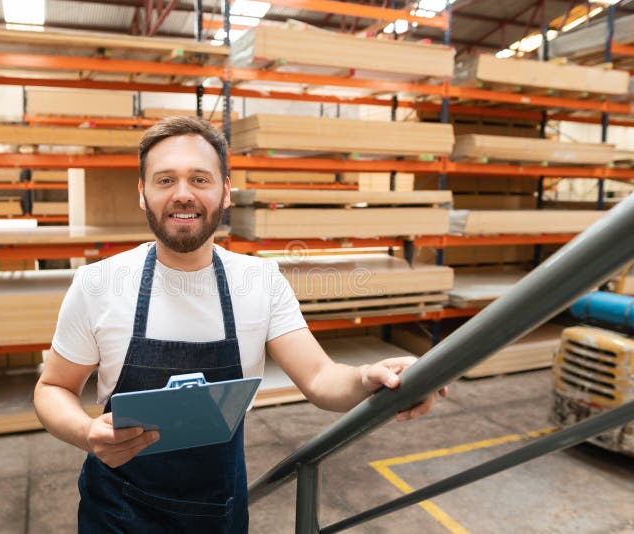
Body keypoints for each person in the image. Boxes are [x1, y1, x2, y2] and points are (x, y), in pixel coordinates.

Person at [33, 116, 447, 533]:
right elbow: (53, 388)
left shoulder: (260, 282)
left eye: (199, 179)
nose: (183, 195)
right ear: (142, 194)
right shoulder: (99, 284)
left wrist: (370, 379)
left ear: (226, 191)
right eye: (164, 180)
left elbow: (321, 378)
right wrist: (87, 432)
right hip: (117, 516)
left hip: (219, 516)